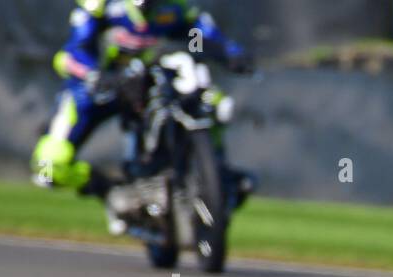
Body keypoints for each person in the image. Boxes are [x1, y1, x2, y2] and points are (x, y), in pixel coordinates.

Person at [30, 0, 252, 199]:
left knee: (213, 101)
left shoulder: (175, 8)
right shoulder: (100, 7)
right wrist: (94, 74)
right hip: (103, 85)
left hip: (154, 83)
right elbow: (73, 53)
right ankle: (106, 187)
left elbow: (197, 37)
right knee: (49, 167)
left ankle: (217, 173)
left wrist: (228, 53)